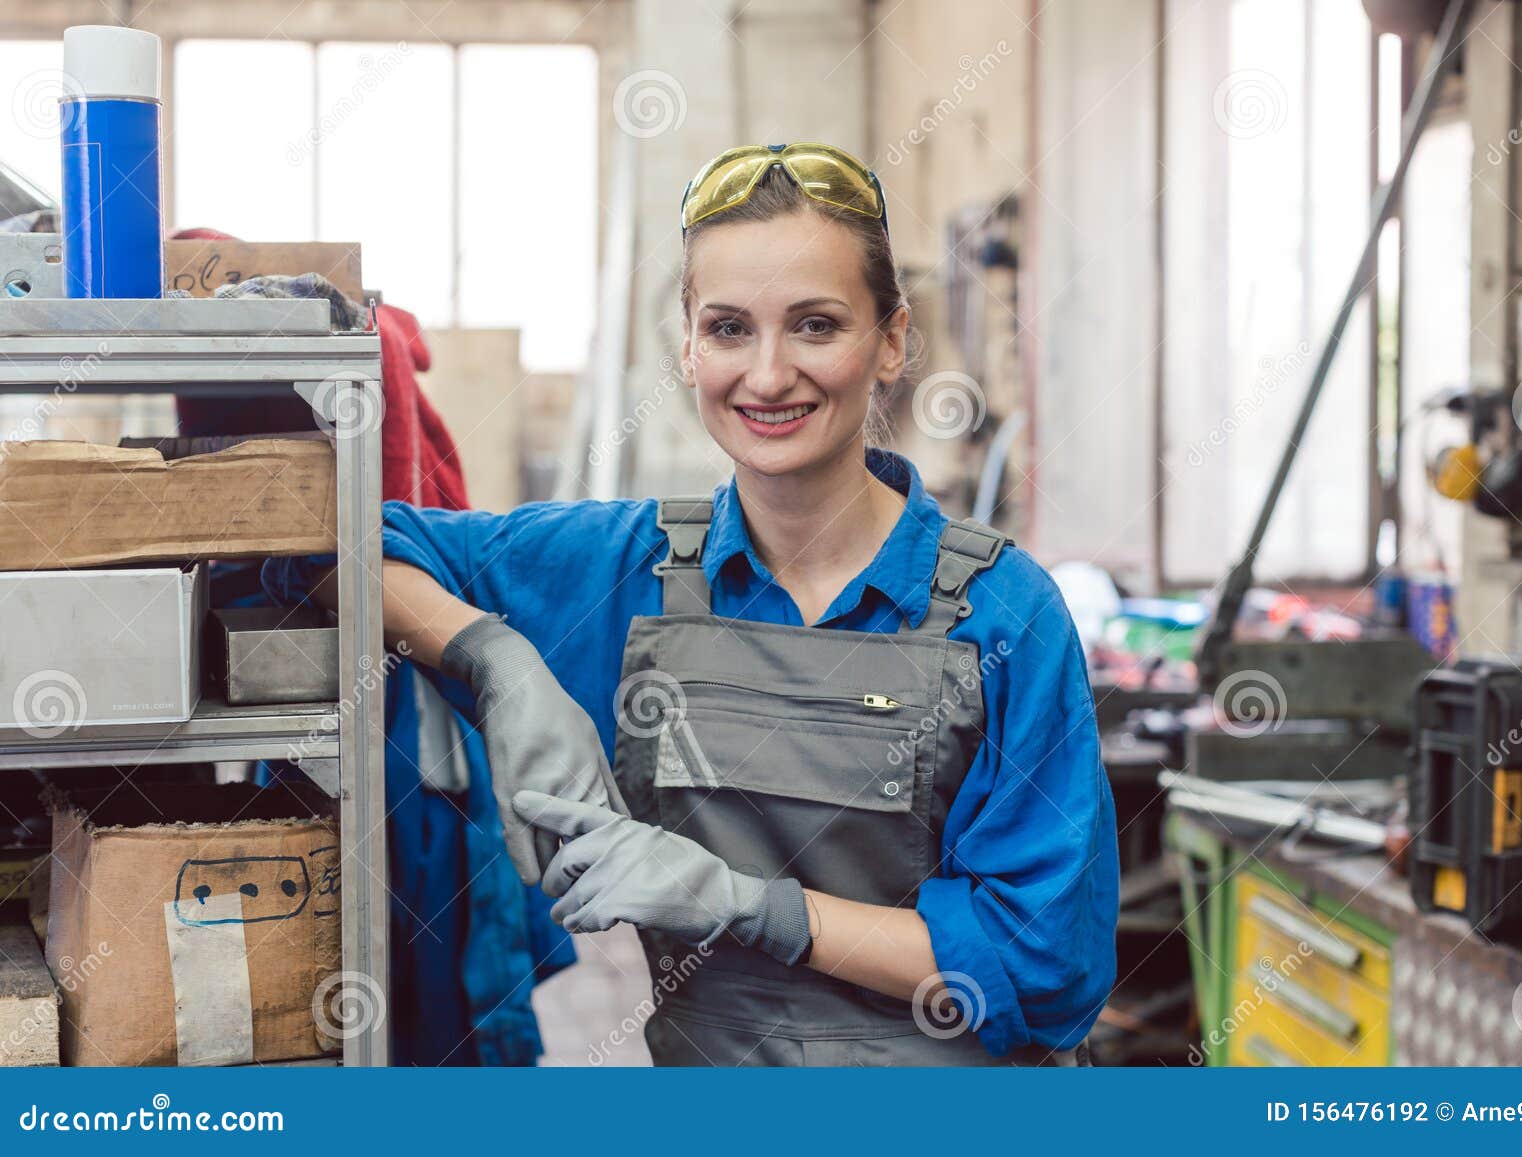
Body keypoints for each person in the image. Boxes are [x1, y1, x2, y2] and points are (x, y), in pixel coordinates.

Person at [277, 143, 1117, 1066]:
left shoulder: (1002, 613)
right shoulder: (622, 571)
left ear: (892, 341)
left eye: (815, 325)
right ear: (687, 344)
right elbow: (302, 538)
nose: (765, 375)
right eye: (727, 329)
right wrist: (493, 658)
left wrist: (751, 905)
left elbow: (1042, 968)